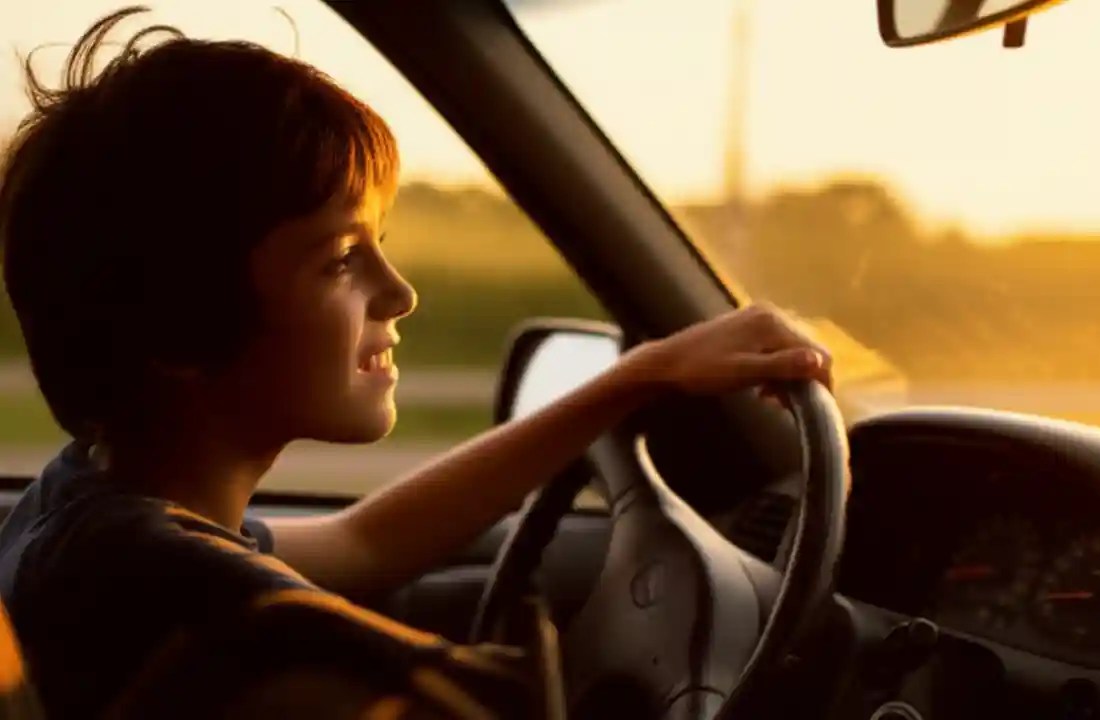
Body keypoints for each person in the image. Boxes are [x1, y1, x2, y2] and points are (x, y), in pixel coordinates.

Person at [0, 7, 833, 719]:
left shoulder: (90, 514)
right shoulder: (216, 612)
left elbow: (364, 542)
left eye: (381, 249)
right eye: (338, 260)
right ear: (177, 326)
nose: (398, 295)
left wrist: (635, 377)